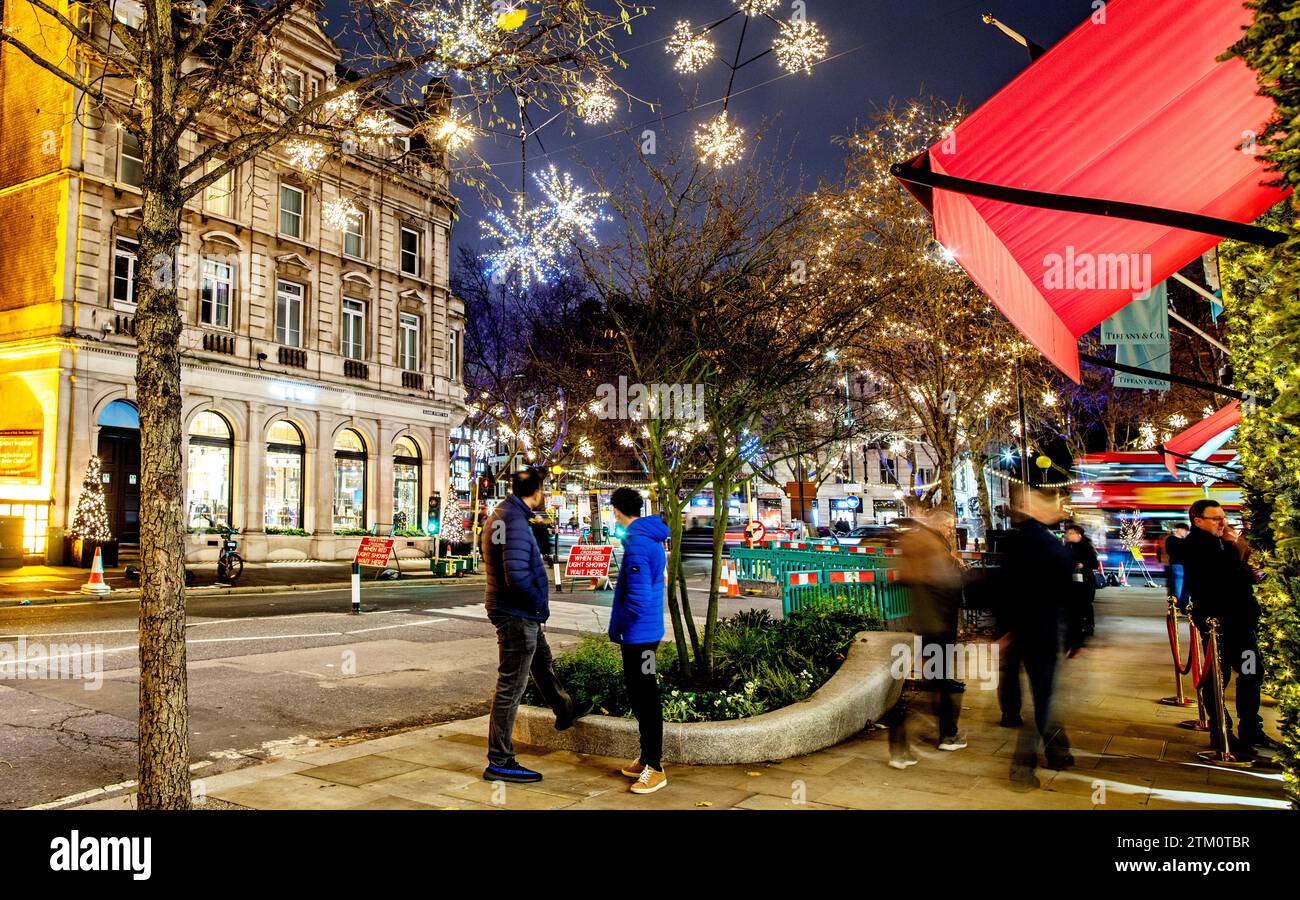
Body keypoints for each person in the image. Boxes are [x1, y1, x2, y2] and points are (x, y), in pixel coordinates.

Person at [481, 468, 589, 783]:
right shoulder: (513, 520)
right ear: (538, 491)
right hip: (517, 613)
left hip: (518, 611)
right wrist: (537, 605)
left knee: (542, 664)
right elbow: (515, 576)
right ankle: (500, 760)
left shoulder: (507, 513)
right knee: (511, 686)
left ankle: (564, 709)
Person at [1182, 499, 1277, 755]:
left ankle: (1250, 727)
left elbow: (1244, 574)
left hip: (1242, 626)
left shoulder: (1221, 543)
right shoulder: (1198, 546)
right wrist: (1235, 544)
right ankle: (1222, 731)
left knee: (1250, 672)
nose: (1221, 523)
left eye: (1222, 517)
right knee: (1217, 680)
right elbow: (1225, 579)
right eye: (1215, 519)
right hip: (1219, 628)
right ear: (1198, 520)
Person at [995, 490, 1075, 790]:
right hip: (1040, 630)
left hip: (1025, 630)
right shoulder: (1042, 543)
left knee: (1045, 695)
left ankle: (1058, 750)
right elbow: (1064, 592)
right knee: (1045, 698)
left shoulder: (1019, 540)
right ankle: (1022, 765)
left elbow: (1003, 587)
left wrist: (1004, 630)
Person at [888, 511, 967, 769]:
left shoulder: (917, 542)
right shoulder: (931, 544)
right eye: (948, 526)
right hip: (938, 622)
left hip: (925, 620)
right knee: (938, 682)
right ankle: (943, 735)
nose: (949, 531)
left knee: (935, 681)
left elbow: (908, 576)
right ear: (938, 524)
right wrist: (955, 568)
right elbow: (944, 583)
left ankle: (940, 735)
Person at [607, 487, 671, 794]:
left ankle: (655, 767)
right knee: (643, 694)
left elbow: (637, 598)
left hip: (639, 636)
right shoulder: (652, 539)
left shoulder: (636, 545)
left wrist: (618, 624)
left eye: (614, 510)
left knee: (645, 696)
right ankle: (646, 758)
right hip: (648, 632)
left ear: (618, 511)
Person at [1062, 524, 1098, 655]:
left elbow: (1095, 563)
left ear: (1079, 535)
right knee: (1073, 609)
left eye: (1071, 533)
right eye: (1068, 533)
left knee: (1084, 606)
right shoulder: (1066, 547)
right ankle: (1074, 638)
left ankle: (1086, 628)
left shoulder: (1086, 547)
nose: (1068, 535)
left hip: (1085, 582)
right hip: (1071, 583)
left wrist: (1083, 564)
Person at [1163, 523, 1191, 611]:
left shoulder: (1185, 540)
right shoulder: (1171, 539)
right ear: (1179, 529)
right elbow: (1171, 551)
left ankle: (1183, 606)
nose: (1186, 533)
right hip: (1177, 564)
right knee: (1178, 586)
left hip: (1185, 565)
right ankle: (1177, 606)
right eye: (1185, 530)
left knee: (1185, 587)